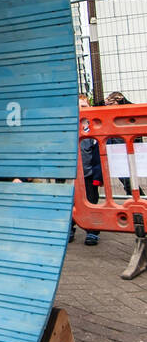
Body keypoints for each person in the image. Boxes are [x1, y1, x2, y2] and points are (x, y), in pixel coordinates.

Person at [77, 92, 102, 246]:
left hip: (89, 174)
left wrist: (98, 176)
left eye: (85, 106)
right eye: (79, 107)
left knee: (92, 202)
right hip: (72, 175)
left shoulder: (94, 129)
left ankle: (92, 231)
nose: (82, 110)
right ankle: (70, 229)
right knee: (71, 203)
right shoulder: (71, 128)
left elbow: (98, 155)